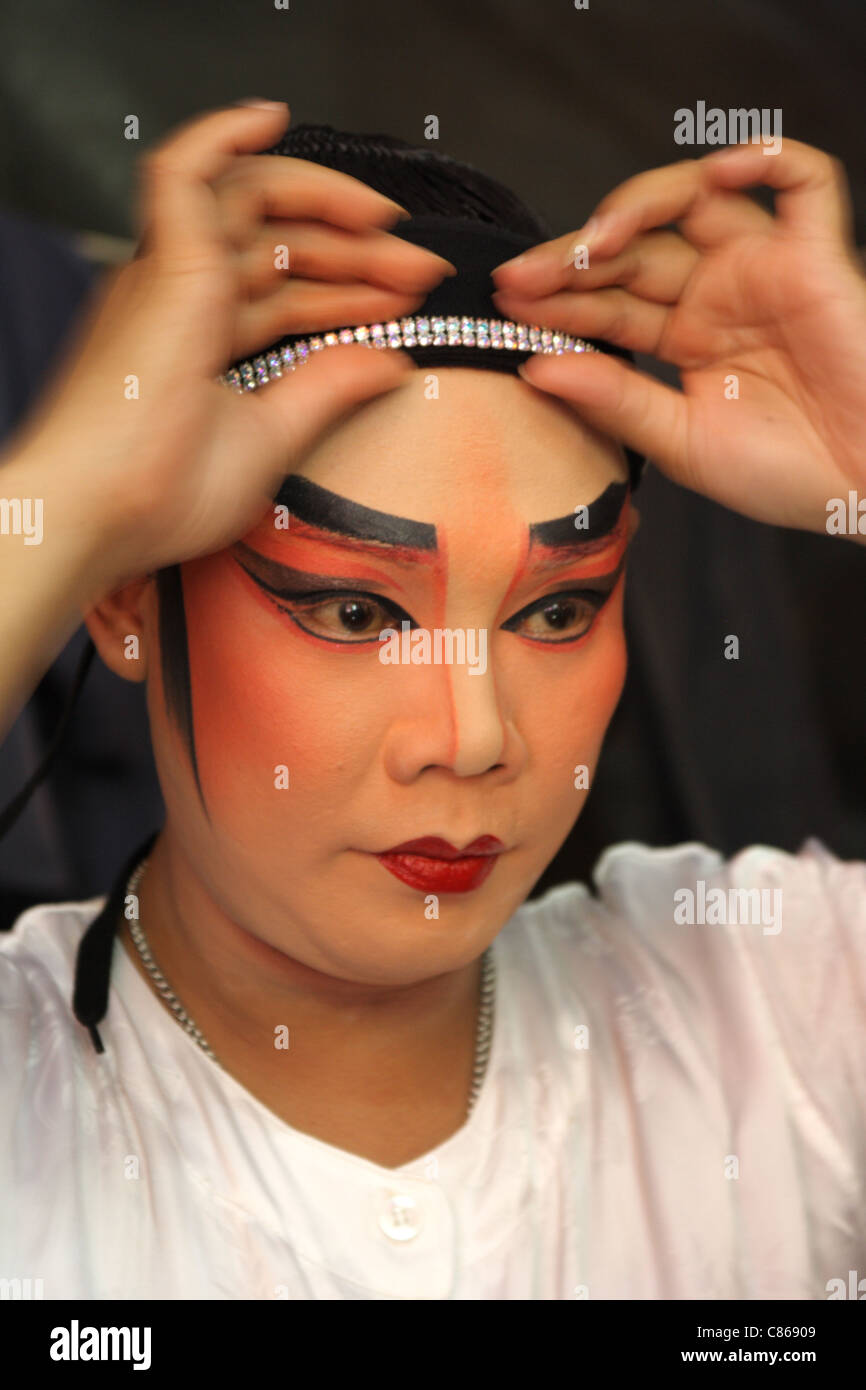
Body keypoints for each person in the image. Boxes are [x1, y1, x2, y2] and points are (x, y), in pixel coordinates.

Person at [0, 100, 864, 1300]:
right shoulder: (21, 1105)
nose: (471, 738)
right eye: (354, 613)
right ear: (125, 602)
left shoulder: (779, 1016)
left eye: (555, 612)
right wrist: (67, 502)